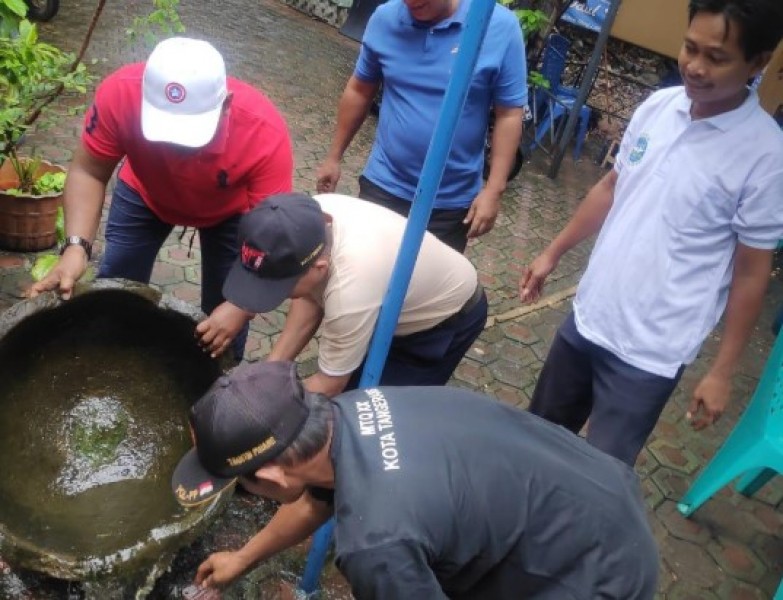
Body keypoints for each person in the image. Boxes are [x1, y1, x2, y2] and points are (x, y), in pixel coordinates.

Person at [519, 0, 783, 466]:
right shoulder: (661, 106)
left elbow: (750, 273)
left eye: (717, 58)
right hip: (589, 316)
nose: (696, 68)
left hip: (650, 352)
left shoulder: (766, 155)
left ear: (758, 63)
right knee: (534, 439)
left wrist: (722, 372)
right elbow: (612, 185)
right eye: (690, 48)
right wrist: (552, 252)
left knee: (597, 477)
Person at [171, 360, 659, 599]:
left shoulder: (375, 543)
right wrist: (242, 557)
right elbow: (317, 499)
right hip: (598, 487)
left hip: (596, 572)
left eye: (241, 482)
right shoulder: (350, 412)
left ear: (273, 474)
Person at [30, 37, 294, 362]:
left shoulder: (263, 133)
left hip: (232, 214)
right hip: (145, 192)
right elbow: (88, 171)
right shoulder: (120, 94)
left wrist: (242, 305)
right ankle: (103, 362)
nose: (175, 152)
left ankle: (220, 396)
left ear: (225, 106)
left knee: (224, 317)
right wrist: (75, 246)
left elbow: (273, 235)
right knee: (115, 284)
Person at [196, 192, 486, 397]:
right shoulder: (304, 218)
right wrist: (271, 370)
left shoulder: (351, 291)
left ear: (319, 268)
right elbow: (311, 295)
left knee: (374, 415)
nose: (277, 296)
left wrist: (254, 404)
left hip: (443, 320)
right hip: (384, 295)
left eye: (278, 287)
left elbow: (329, 384)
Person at [315, 0, 528, 253]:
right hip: (384, 185)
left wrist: (494, 189)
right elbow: (360, 90)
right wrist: (334, 157)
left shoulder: (498, 26)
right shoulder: (386, 19)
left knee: (426, 287)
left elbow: (509, 114)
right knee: (366, 272)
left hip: (450, 202)